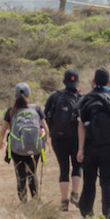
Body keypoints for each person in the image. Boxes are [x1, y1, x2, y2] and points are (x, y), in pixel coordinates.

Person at [76, 67, 110, 219]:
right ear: (109, 82)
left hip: (89, 148)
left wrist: (80, 149)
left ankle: (86, 214)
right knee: (107, 182)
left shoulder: (84, 99)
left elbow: (81, 125)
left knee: (89, 181)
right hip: (108, 147)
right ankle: (108, 215)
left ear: (93, 82)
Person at [0, 82, 49, 202]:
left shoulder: (11, 111)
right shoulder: (36, 108)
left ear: (15, 96)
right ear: (29, 95)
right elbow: (46, 129)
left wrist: (1, 141)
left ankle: (24, 204)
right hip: (35, 149)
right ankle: (36, 200)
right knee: (32, 174)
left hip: (17, 150)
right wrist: (45, 141)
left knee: (21, 176)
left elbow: (2, 130)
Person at [43, 68, 84, 211]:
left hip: (57, 138)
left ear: (63, 81)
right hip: (76, 137)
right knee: (77, 166)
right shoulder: (80, 98)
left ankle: (64, 201)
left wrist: (47, 132)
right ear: (77, 81)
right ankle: (75, 194)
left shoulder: (54, 96)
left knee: (63, 168)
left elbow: (44, 116)